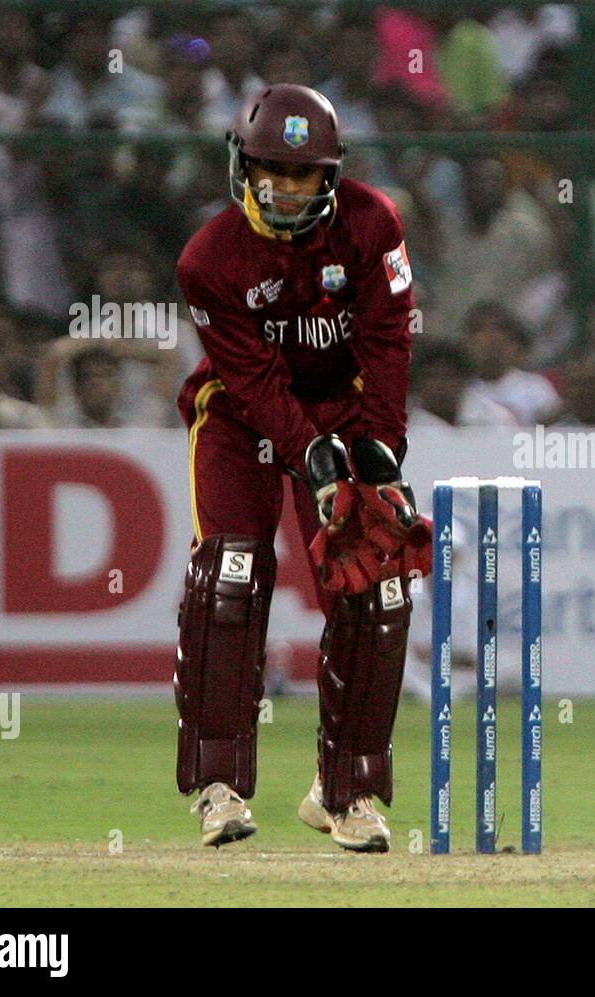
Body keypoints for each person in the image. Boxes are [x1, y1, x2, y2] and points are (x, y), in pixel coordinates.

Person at [174, 83, 432, 852]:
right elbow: (252, 378)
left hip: (343, 403)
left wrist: (381, 446)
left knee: (374, 584)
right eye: (270, 172)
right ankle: (218, 786)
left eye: (304, 175)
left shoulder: (373, 223)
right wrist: (308, 455)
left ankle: (343, 790)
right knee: (231, 574)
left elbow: (388, 339)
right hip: (238, 413)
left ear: (332, 175)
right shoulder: (208, 260)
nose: (286, 191)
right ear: (242, 167)